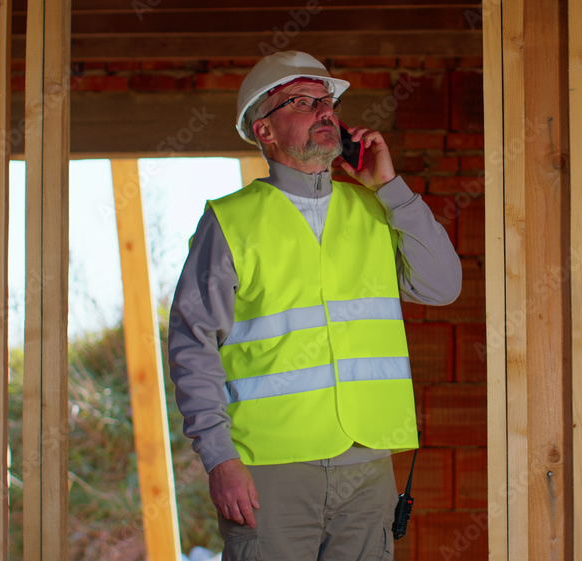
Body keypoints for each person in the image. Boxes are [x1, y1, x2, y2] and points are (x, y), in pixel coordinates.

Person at [167, 50, 462, 560]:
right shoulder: (230, 222)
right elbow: (192, 346)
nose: (324, 110)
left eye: (328, 102)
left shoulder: (376, 209)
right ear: (264, 130)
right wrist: (219, 459)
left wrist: (390, 188)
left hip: (367, 467)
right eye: (302, 102)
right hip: (269, 470)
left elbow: (443, 286)